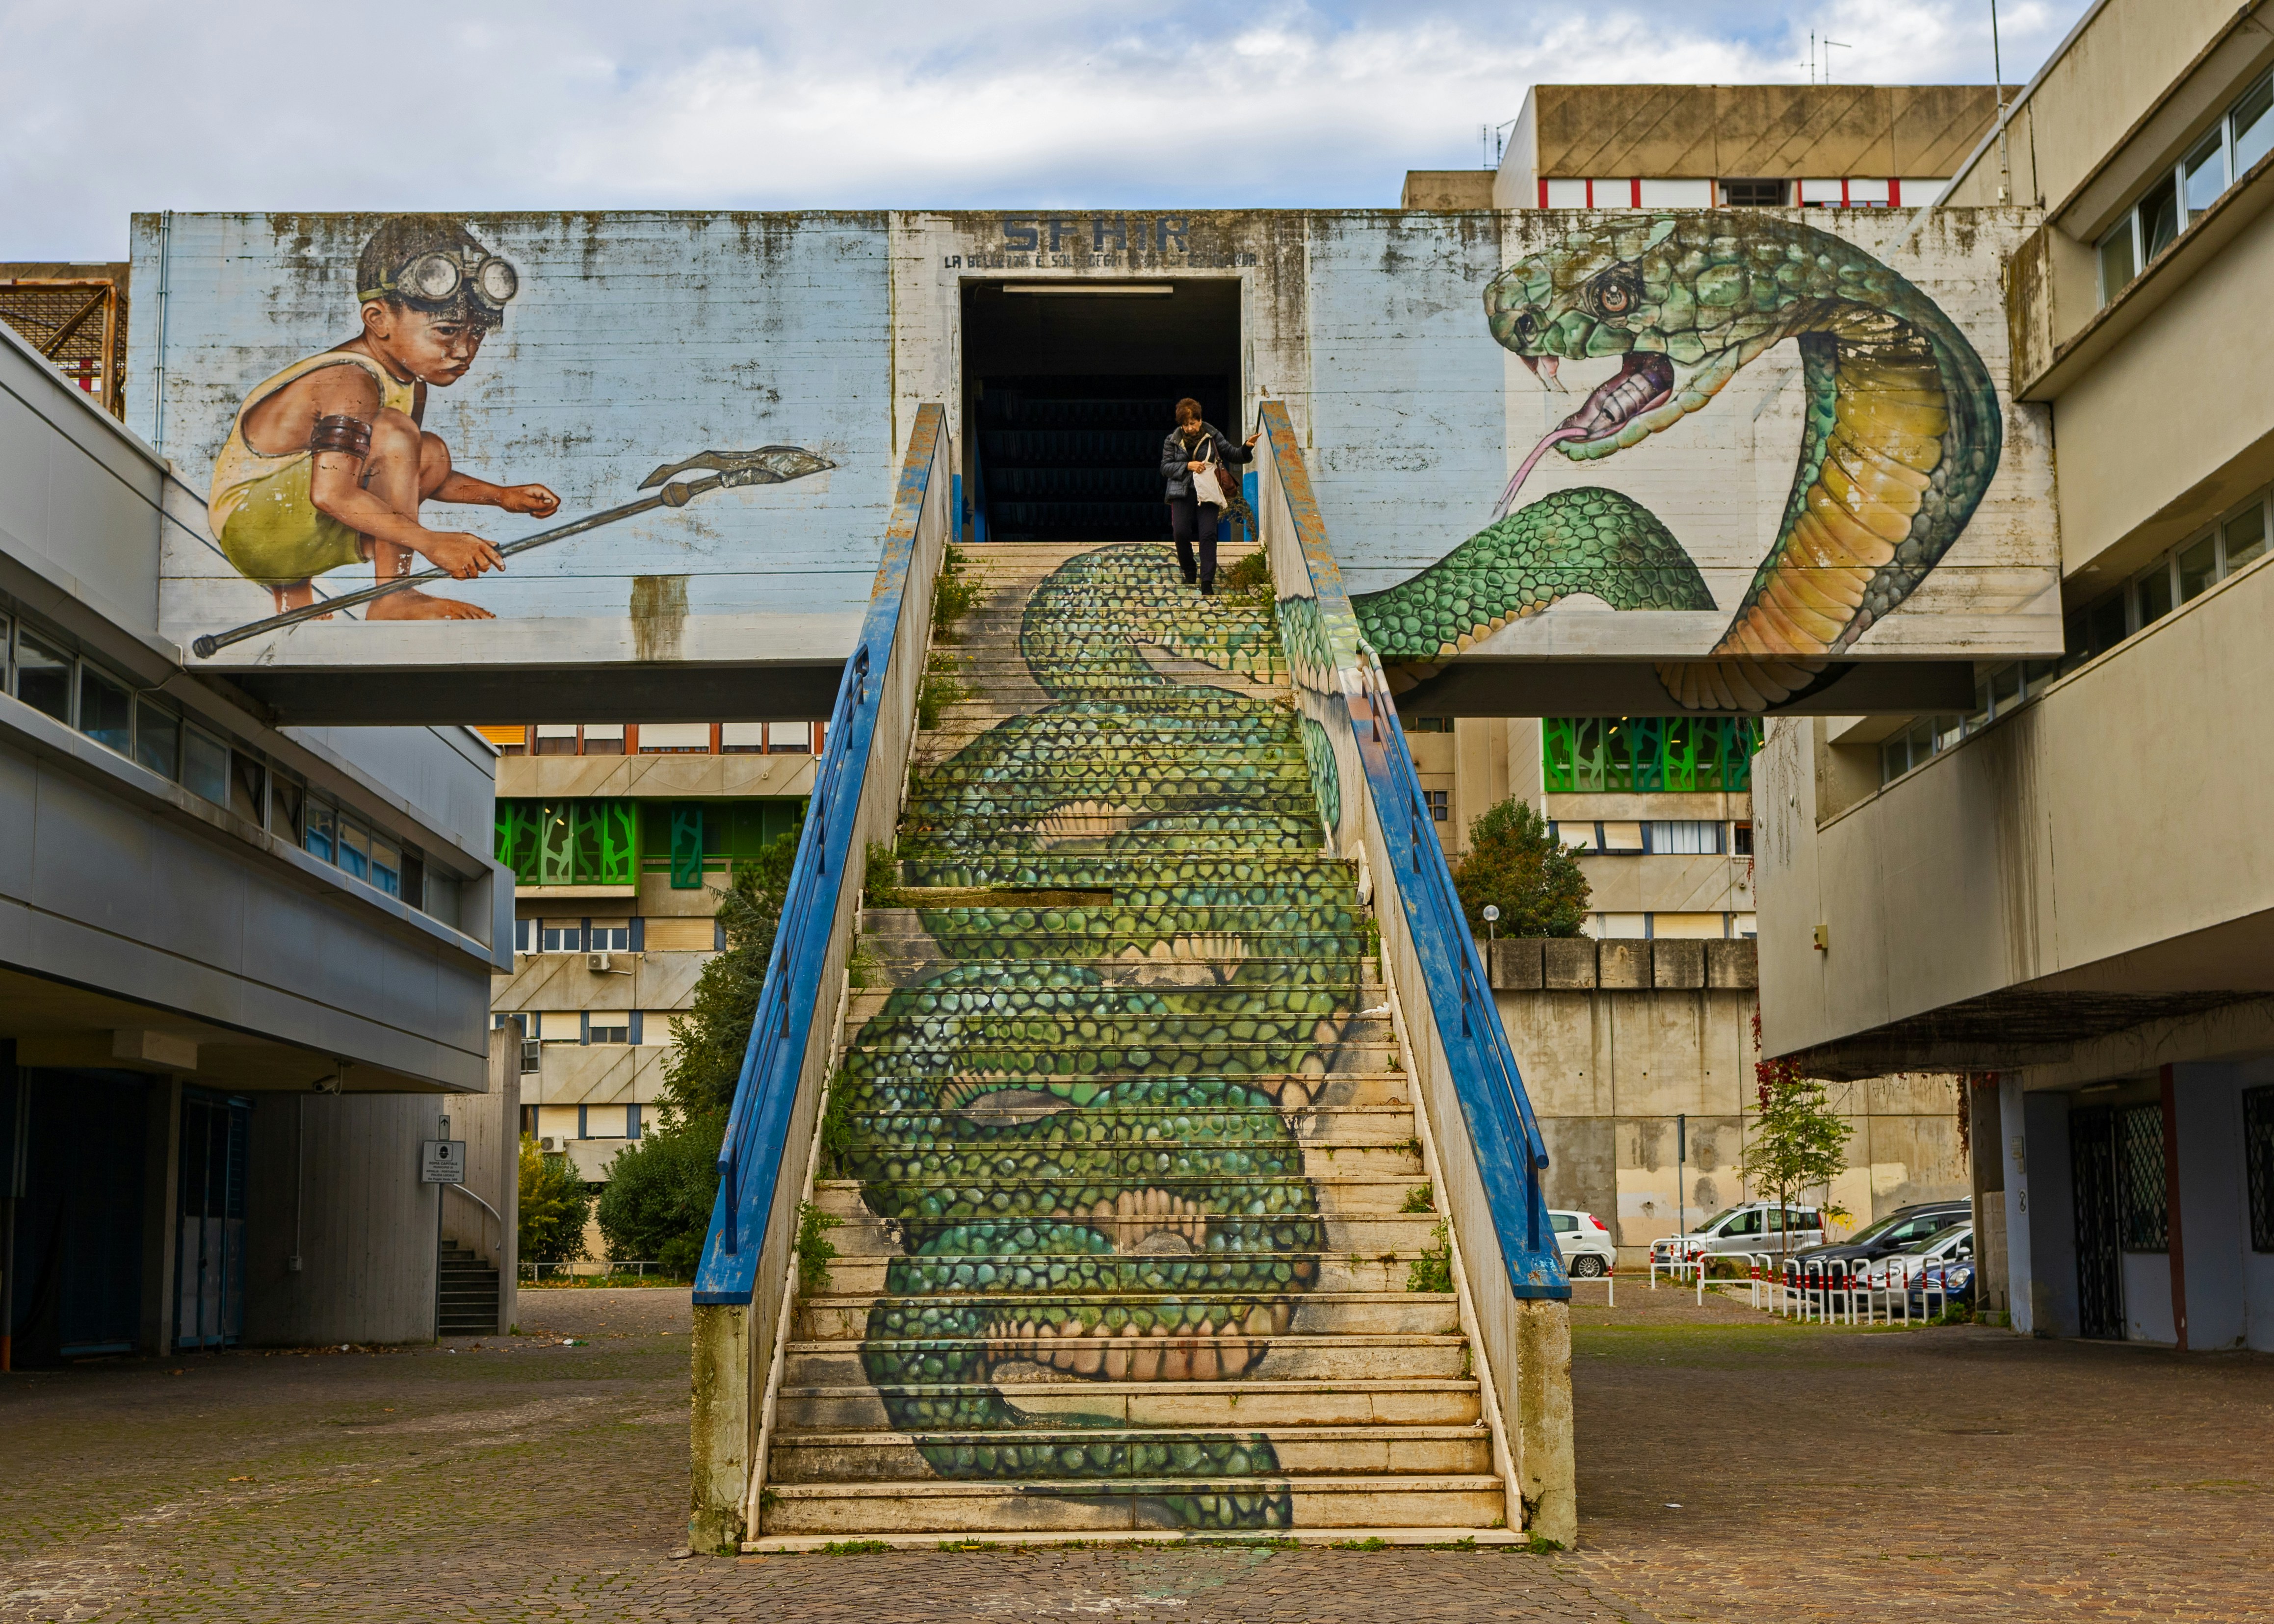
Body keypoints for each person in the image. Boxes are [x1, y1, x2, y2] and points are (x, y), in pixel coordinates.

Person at [206, 215, 560, 621]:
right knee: (394, 433)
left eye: (476, 334)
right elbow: (331, 493)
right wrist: (432, 542)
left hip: (290, 530)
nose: (464, 350)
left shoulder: (412, 385)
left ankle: (296, 595)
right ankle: (394, 595)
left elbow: (400, 474)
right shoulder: (351, 379)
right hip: (251, 532)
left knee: (429, 452)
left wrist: (501, 496)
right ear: (378, 319)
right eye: (447, 331)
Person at [1159, 398, 1258, 594]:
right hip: (1181, 492)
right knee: (1180, 533)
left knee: (1208, 534)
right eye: (1185, 425)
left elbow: (1233, 454)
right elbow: (1165, 467)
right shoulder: (1172, 440)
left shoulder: (1212, 435)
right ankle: (1189, 571)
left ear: (1200, 420)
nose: (1189, 428)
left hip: (1208, 491)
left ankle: (1207, 581)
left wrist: (1247, 447)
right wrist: (1188, 466)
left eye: (1192, 423)